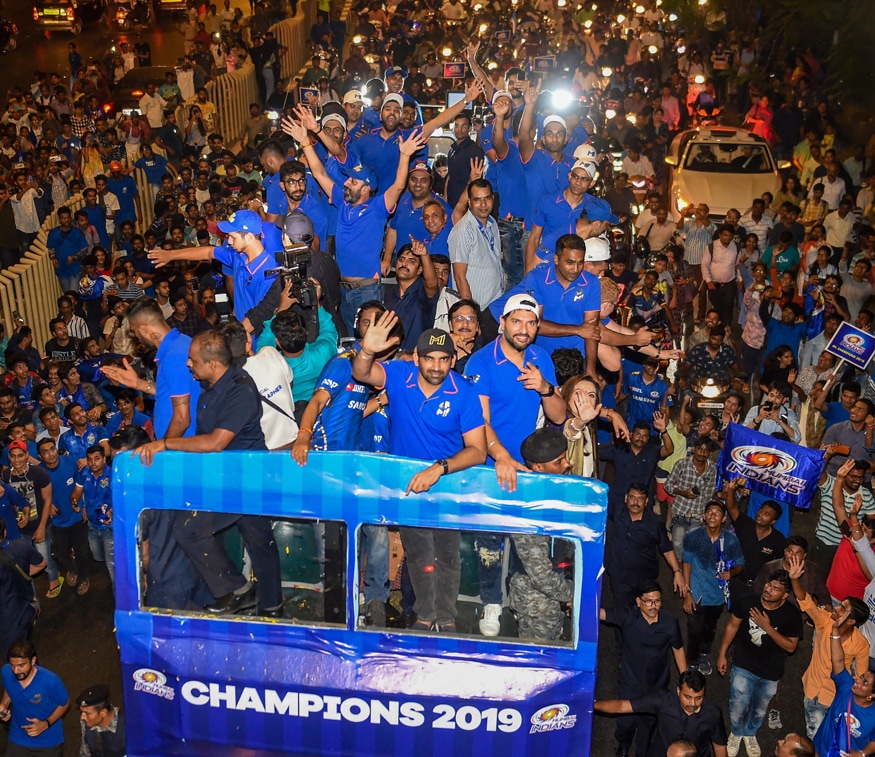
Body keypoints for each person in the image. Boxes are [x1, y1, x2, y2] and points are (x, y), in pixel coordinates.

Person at [134, 331, 283, 617]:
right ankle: (243, 592)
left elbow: (216, 442)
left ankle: (265, 603)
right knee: (201, 530)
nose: (188, 364)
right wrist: (139, 384)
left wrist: (165, 443)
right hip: (222, 478)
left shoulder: (240, 389)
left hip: (245, 480)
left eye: (193, 360)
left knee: (255, 542)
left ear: (213, 364)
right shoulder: (209, 383)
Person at [352, 317, 487, 631]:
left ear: (453, 361)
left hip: (449, 479)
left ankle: (448, 618)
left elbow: (478, 450)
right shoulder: (400, 375)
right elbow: (361, 372)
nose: (436, 366)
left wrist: (438, 468)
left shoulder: (464, 391)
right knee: (419, 554)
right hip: (409, 483)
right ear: (416, 358)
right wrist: (366, 351)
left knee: (449, 555)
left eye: (443, 359)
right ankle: (426, 616)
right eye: (429, 358)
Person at [716, 569, 802, 757]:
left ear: (785, 595)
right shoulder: (747, 601)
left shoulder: (791, 615)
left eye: (775, 588)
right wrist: (722, 653)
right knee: (738, 703)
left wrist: (767, 627)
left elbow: (790, 647)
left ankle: (750, 733)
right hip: (743, 664)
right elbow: (732, 625)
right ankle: (736, 732)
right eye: (769, 584)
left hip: (771, 671)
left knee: (760, 708)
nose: (768, 590)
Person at [787, 552, 871, 740]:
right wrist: (794, 580)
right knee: (814, 731)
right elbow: (806, 602)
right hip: (811, 687)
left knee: (821, 737)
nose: (836, 608)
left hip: (833, 697)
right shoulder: (824, 621)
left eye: (842, 609)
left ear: (851, 621)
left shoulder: (861, 645)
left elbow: (859, 677)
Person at [600, 580, 687, 757]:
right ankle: (623, 745)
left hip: (656, 685)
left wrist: (684, 677)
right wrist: (577, 606)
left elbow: (677, 648)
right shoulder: (627, 616)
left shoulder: (670, 623)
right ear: (638, 602)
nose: (654, 606)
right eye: (649, 601)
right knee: (626, 721)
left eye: (657, 601)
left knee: (648, 724)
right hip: (630, 682)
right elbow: (601, 613)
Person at [147, 210, 277, 324]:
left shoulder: (268, 272)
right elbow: (207, 252)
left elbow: (263, 315)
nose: (229, 242)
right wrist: (170, 255)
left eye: (233, 237)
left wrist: (241, 332)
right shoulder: (237, 256)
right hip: (241, 328)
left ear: (249, 236)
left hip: (257, 339)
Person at [510, 427, 575, 641]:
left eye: (564, 458)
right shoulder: (530, 508)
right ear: (538, 467)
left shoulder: (551, 496)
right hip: (538, 603)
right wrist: (574, 593)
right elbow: (542, 577)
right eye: (558, 462)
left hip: (547, 597)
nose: (567, 465)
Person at [594, 669, 729, 757]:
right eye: (687, 697)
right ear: (678, 691)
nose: (692, 704)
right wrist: (591, 705)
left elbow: (719, 746)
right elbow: (622, 706)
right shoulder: (663, 701)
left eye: (698, 698)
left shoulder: (713, 714)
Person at [682, 499, 744, 677]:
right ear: (703, 516)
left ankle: (704, 655)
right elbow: (686, 563)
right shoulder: (693, 536)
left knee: (710, 628)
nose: (712, 515)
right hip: (697, 592)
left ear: (724, 519)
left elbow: (740, 563)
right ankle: (692, 661)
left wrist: (731, 573)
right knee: (694, 628)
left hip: (717, 595)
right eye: (709, 512)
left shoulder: (731, 541)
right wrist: (687, 593)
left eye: (717, 513)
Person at [814, 603, 875, 757]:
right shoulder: (846, 687)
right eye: (861, 676)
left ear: (872, 695)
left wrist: (862, 754)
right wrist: (835, 631)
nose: (857, 679)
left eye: (864, 682)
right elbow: (839, 662)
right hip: (821, 748)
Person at [0, 641, 69, 757]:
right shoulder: (6, 671)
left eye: (21, 665)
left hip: (48, 742)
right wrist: (4, 705)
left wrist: (45, 724)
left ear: (33, 661)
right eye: (13, 665)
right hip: (18, 738)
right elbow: (8, 687)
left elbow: (65, 703)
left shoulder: (50, 681)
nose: (16, 671)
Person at [0, 519, 44, 665]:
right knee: (28, 649)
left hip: (8, 623)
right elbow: (42, 563)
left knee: (16, 662)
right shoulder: (20, 545)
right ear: (5, 532)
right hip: (27, 610)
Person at [77, 684, 126, 757]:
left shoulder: (127, 724)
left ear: (103, 713)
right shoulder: (87, 722)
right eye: (82, 712)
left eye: (87, 713)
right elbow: (85, 752)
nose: (82, 717)